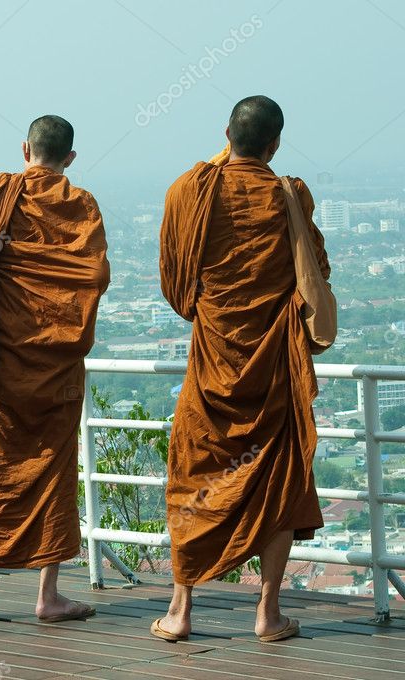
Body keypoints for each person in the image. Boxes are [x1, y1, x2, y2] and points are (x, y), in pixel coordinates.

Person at [154, 95, 327, 642]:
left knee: (194, 477)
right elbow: (314, 275)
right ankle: (267, 614)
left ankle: (180, 611)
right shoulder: (290, 194)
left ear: (225, 131)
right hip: (273, 367)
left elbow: (177, 287)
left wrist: (211, 312)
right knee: (279, 480)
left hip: (210, 365)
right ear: (275, 144)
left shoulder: (191, 189)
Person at [0, 115, 110, 623]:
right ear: (70, 158)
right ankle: (48, 596)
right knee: (51, 470)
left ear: (25, 149)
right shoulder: (80, 205)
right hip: (55, 369)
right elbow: (93, 273)